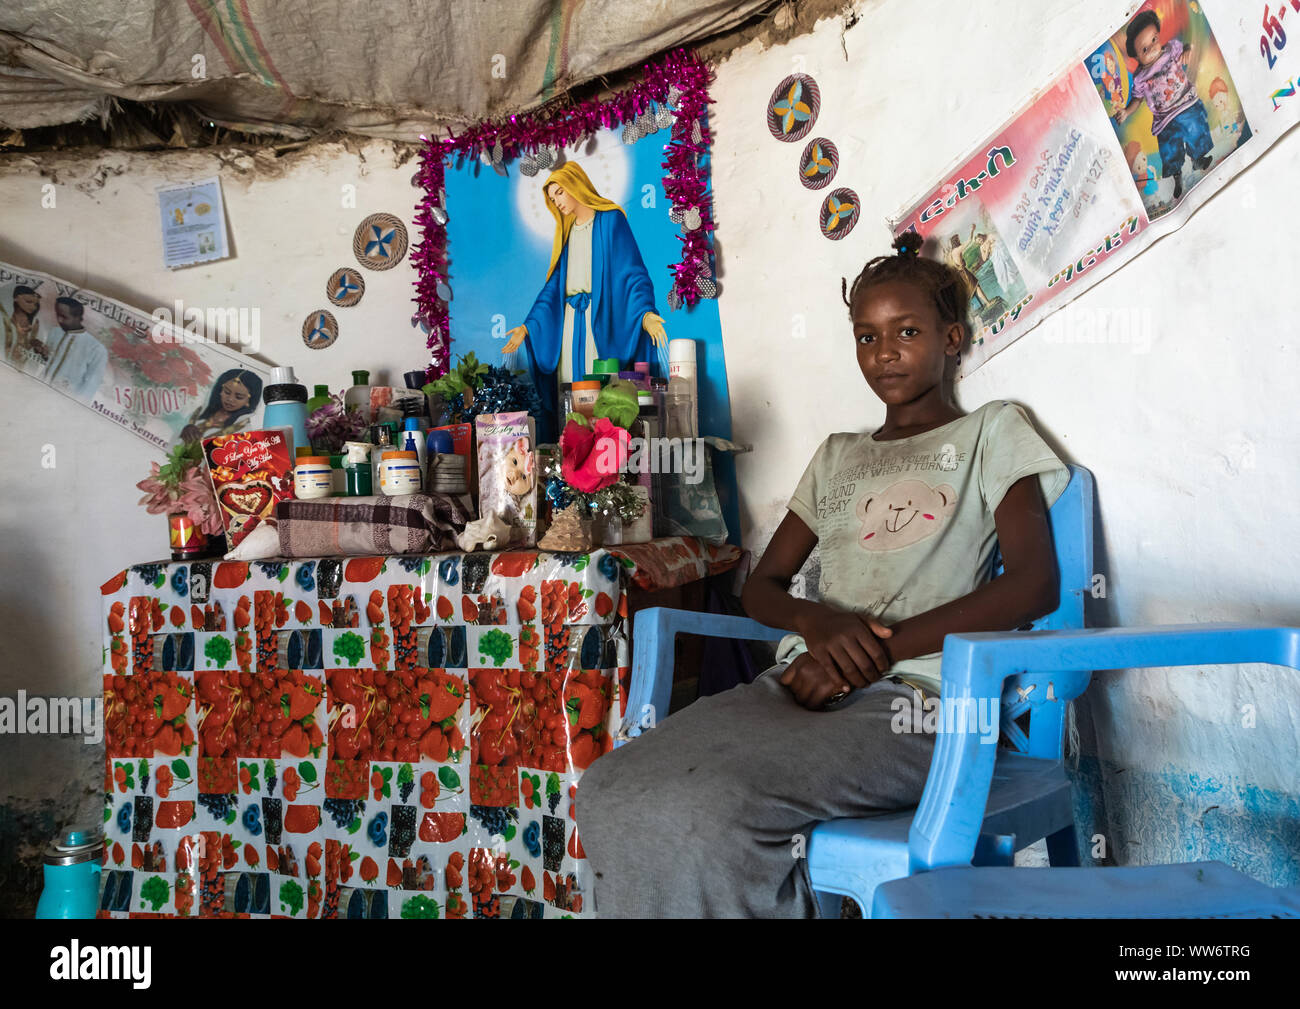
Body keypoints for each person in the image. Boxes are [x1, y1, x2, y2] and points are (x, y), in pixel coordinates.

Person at [576, 232, 1070, 917]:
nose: (885, 350)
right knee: (609, 787)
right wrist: (819, 624)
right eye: (867, 336)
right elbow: (761, 586)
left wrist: (871, 654)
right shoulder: (839, 457)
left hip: (920, 703)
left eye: (907, 330)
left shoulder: (989, 433)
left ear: (951, 338)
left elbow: (1033, 584)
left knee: (720, 808)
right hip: (798, 686)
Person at [500, 162, 667, 442]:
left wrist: (645, 313)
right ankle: (574, 449)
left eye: (559, 193)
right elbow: (553, 288)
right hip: (569, 326)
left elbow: (632, 272)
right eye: (552, 199)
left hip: (597, 321)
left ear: (576, 186)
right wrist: (527, 327)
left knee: (599, 387)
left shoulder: (610, 220)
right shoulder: (566, 235)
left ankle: (604, 450)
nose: (557, 202)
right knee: (569, 389)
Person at [1115, 9, 1212, 201]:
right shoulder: (1140, 78)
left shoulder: (1170, 50)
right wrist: (1127, 112)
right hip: (1164, 119)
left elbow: (1186, 47)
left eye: (1154, 40)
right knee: (1170, 148)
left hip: (1185, 102)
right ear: (1136, 57)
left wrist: (1188, 51)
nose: (1152, 48)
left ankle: (1198, 158)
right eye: (1144, 49)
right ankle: (1177, 176)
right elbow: (1137, 100)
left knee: (1196, 129)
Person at [42, 297, 108, 402]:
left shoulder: (96, 349)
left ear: (78, 318)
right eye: (57, 315)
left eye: (64, 317)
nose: (59, 320)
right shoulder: (54, 332)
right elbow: (47, 361)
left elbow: (91, 385)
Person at [181, 368, 263, 443]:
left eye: (239, 397)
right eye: (227, 392)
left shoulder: (247, 427)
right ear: (220, 391)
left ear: (249, 401)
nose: (230, 399)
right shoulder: (199, 412)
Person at [2, 285, 48, 375]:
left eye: (35, 304)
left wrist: (39, 348)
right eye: (28, 301)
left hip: (20, 371)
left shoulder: (35, 324)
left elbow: (34, 346)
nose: (33, 307)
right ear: (16, 298)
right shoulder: (4, 318)